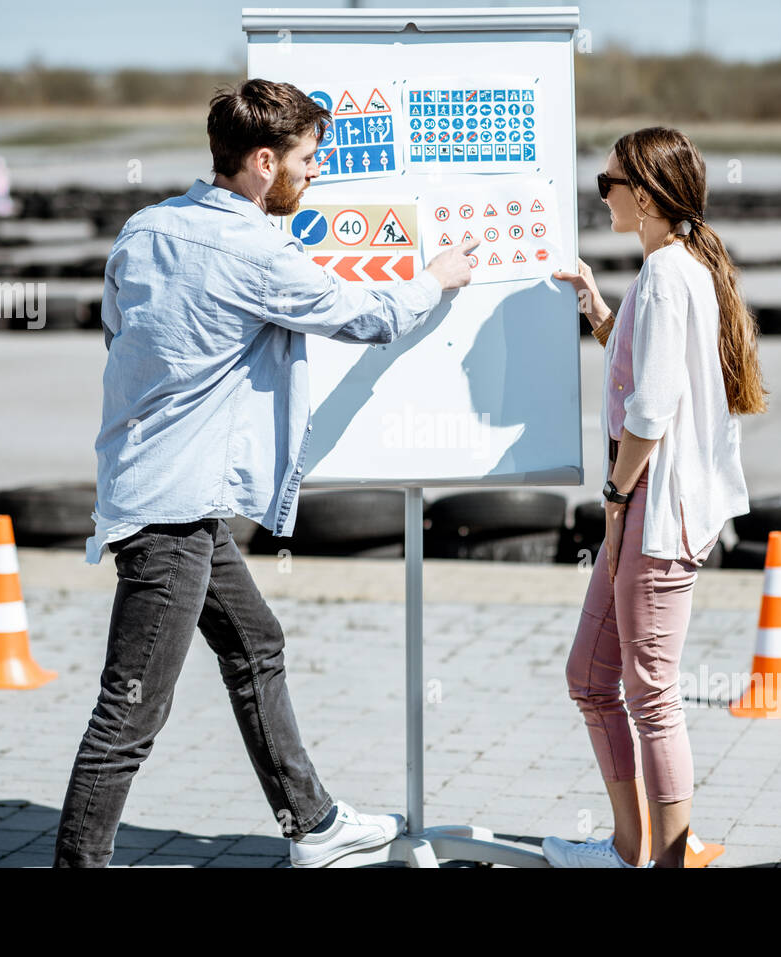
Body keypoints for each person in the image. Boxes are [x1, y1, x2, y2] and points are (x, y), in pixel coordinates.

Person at [52, 79, 478, 868]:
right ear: (261, 162)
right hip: (171, 513)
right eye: (306, 160)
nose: (314, 173)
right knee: (130, 711)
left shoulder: (144, 230)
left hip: (166, 493)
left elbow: (119, 335)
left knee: (256, 645)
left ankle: (311, 822)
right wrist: (437, 277)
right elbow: (365, 314)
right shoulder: (255, 248)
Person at [548, 126, 767, 867]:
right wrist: (592, 303)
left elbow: (655, 402)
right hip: (641, 508)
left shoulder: (673, 275)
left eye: (607, 183)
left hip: (654, 509)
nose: (600, 193)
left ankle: (668, 858)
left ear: (641, 195)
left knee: (651, 694)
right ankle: (629, 845)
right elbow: (643, 358)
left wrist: (615, 489)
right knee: (589, 676)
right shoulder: (666, 272)